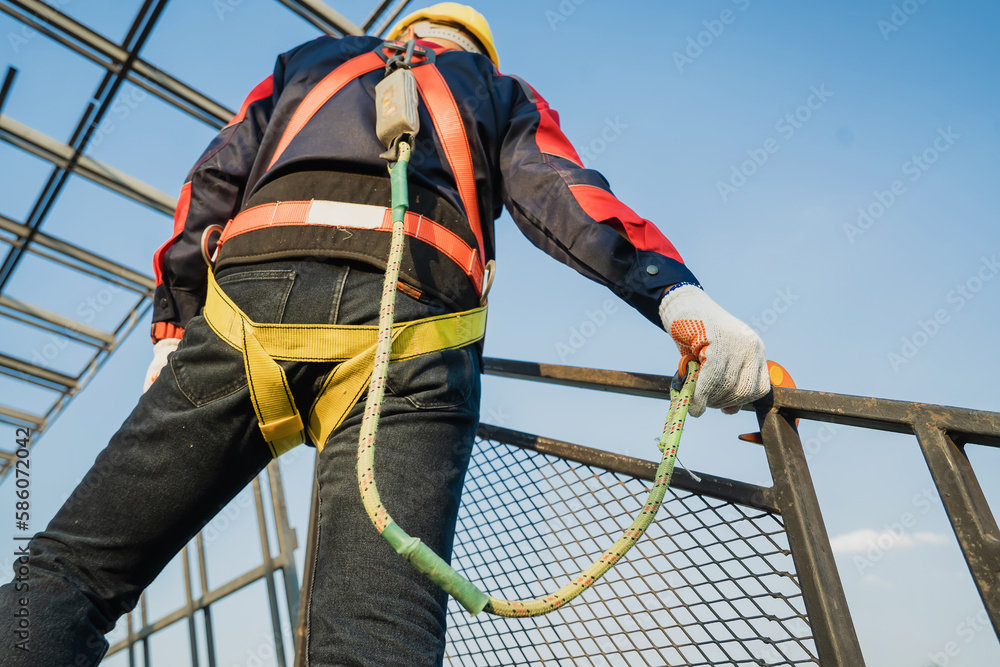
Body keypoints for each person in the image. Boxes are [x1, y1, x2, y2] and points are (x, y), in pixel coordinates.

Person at [1, 3, 770, 664]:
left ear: (403, 31)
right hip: (413, 335)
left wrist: (174, 328)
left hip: (244, 319)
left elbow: (209, 182)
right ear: (473, 49)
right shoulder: (496, 92)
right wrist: (675, 294)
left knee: (69, 574)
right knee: (370, 644)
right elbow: (563, 193)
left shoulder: (303, 64)